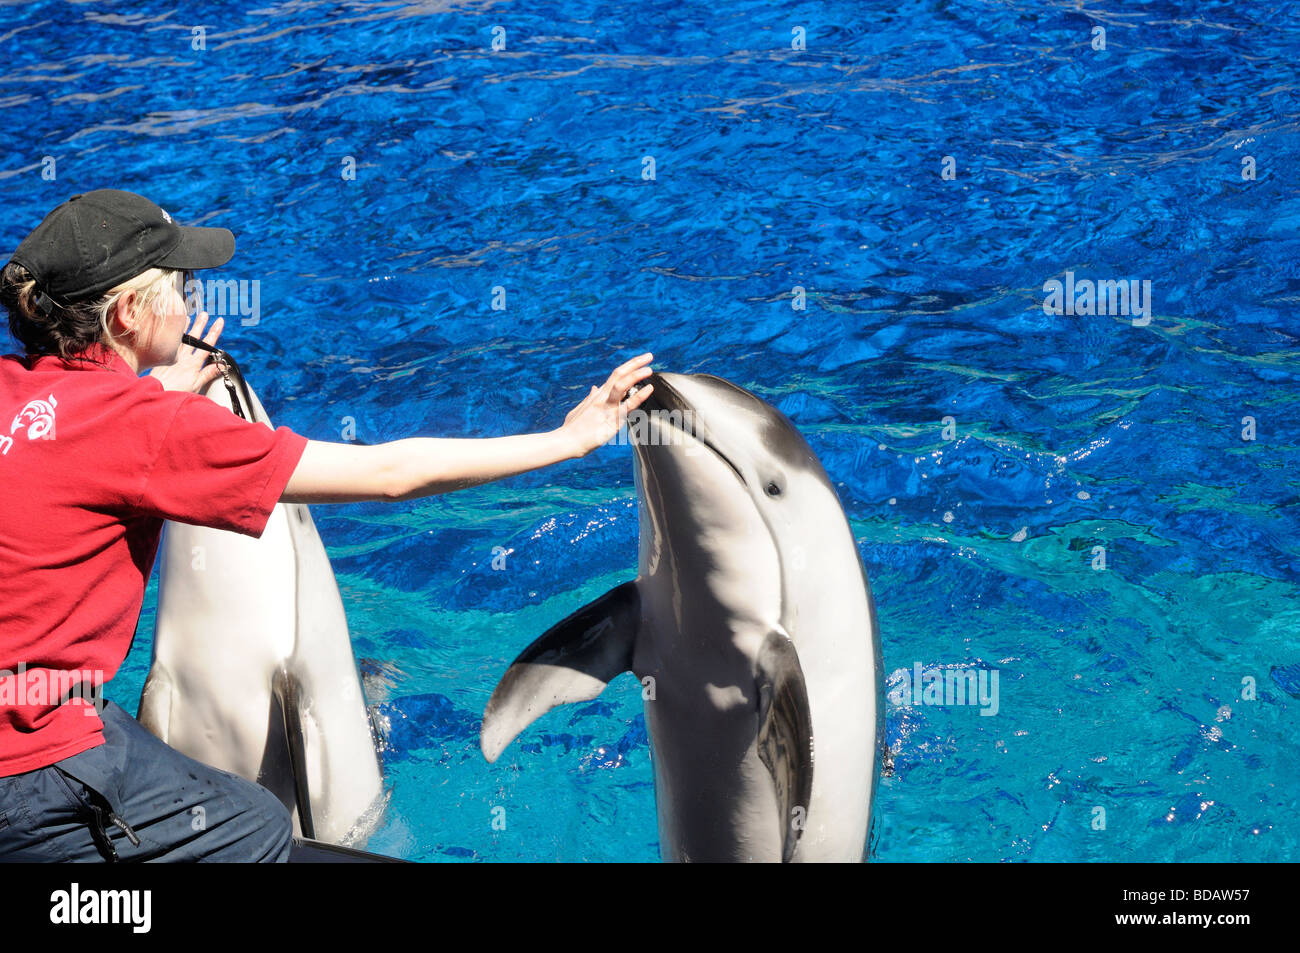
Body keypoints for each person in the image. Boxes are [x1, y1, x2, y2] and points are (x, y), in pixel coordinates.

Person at [0, 189, 654, 862]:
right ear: (131, 311)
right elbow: (394, 473)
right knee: (253, 825)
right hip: (31, 767)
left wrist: (153, 400)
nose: (196, 302)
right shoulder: (150, 430)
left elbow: (77, 440)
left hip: (34, 720)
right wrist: (570, 439)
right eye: (184, 284)